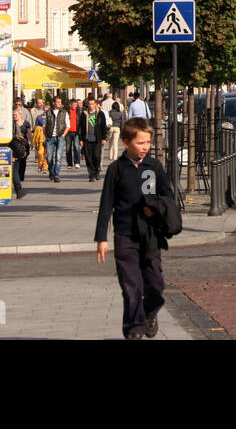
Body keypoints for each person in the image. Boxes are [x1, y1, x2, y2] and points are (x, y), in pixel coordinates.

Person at [95, 118, 175, 340]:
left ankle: (150, 313)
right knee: (131, 287)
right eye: (140, 143)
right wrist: (101, 238)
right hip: (125, 234)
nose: (145, 147)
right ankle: (134, 330)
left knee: (155, 285)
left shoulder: (154, 166)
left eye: (148, 142)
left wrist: (157, 208)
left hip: (150, 235)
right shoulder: (116, 169)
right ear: (126, 143)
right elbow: (106, 204)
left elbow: (168, 195)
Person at [46, 96, 69, 182]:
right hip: (50, 137)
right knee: (49, 158)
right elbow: (45, 126)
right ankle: (51, 171)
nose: (59, 104)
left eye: (60, 102)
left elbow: (68, 125)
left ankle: (56, 175)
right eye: (57, 102)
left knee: (58, 157)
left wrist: (63, 135)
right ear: (54, 103)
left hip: (60, 136)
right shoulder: (48, 112)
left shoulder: (64, 112)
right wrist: (46, 136)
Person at [9, 107, 29, 199]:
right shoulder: (14, 125)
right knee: (14, 173)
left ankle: (18, 190)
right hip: (13, 151)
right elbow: (16, 139)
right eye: (13, 115)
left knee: (14, 172)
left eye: (15, 115)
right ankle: (19, 191)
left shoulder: (18, 124)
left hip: (12, 151)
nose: (14, 116)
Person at [105, 94, 125, 162]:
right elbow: (122, 122)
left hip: (110, 127)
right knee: (115, 143)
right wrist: (122, 129)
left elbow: (107, 120)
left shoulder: (109, 112)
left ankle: (110, 155)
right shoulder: (120, 113)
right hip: (117, 128)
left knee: (110, 142)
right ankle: (115, 156)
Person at [66, 98, 82, 169]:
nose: (75, 106)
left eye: (76, 105)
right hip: (68, 132)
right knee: (68, 148)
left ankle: (77, 162)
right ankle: (69, 163)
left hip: (76, 132)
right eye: (74, 105)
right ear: (70, 105)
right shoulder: (67, 112)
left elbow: (80, 122)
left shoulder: (78, 112)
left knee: (76, 147)